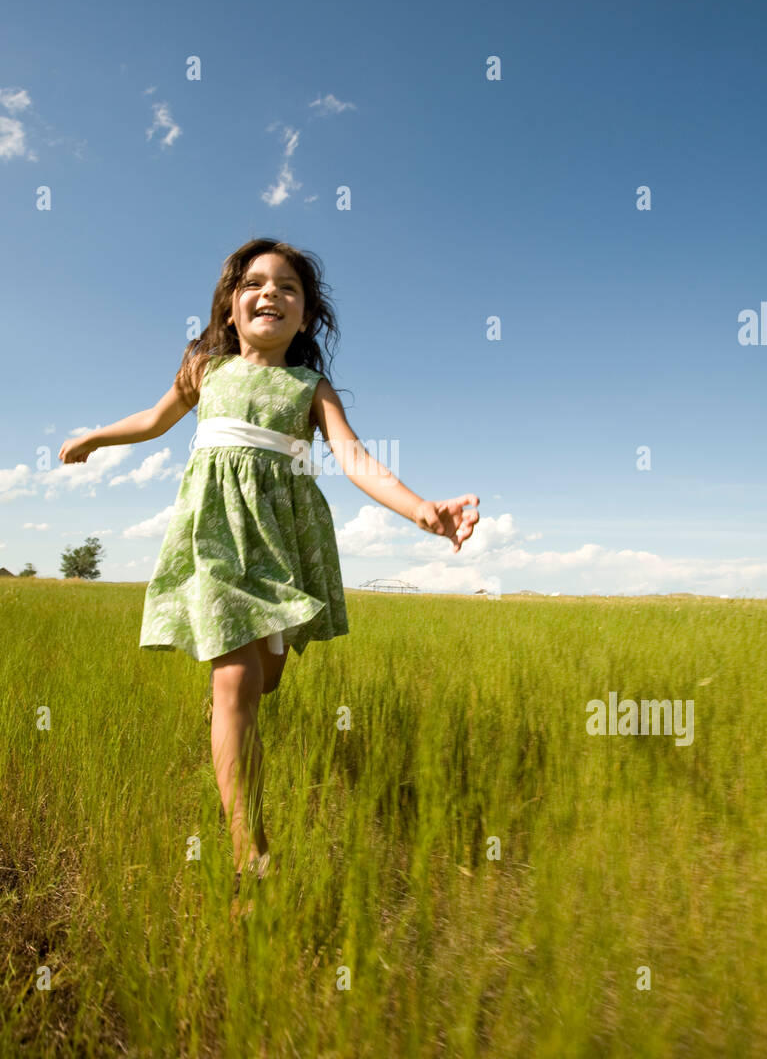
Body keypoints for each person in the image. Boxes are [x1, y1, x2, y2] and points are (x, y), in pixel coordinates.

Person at [59, 238, 479, 914]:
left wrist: (423, 511)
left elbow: (356, 459)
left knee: (263, 677)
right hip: (216, 536)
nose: (271, 294)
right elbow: (153, 418)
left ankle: (233, 713)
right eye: (255, 283)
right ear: (231, 305)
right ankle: (249, 852)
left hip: (280, 542)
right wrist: (96, 436)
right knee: (236, 679)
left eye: (289, 288)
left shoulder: (309, 387)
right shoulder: (206, 368)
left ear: (306, 317)